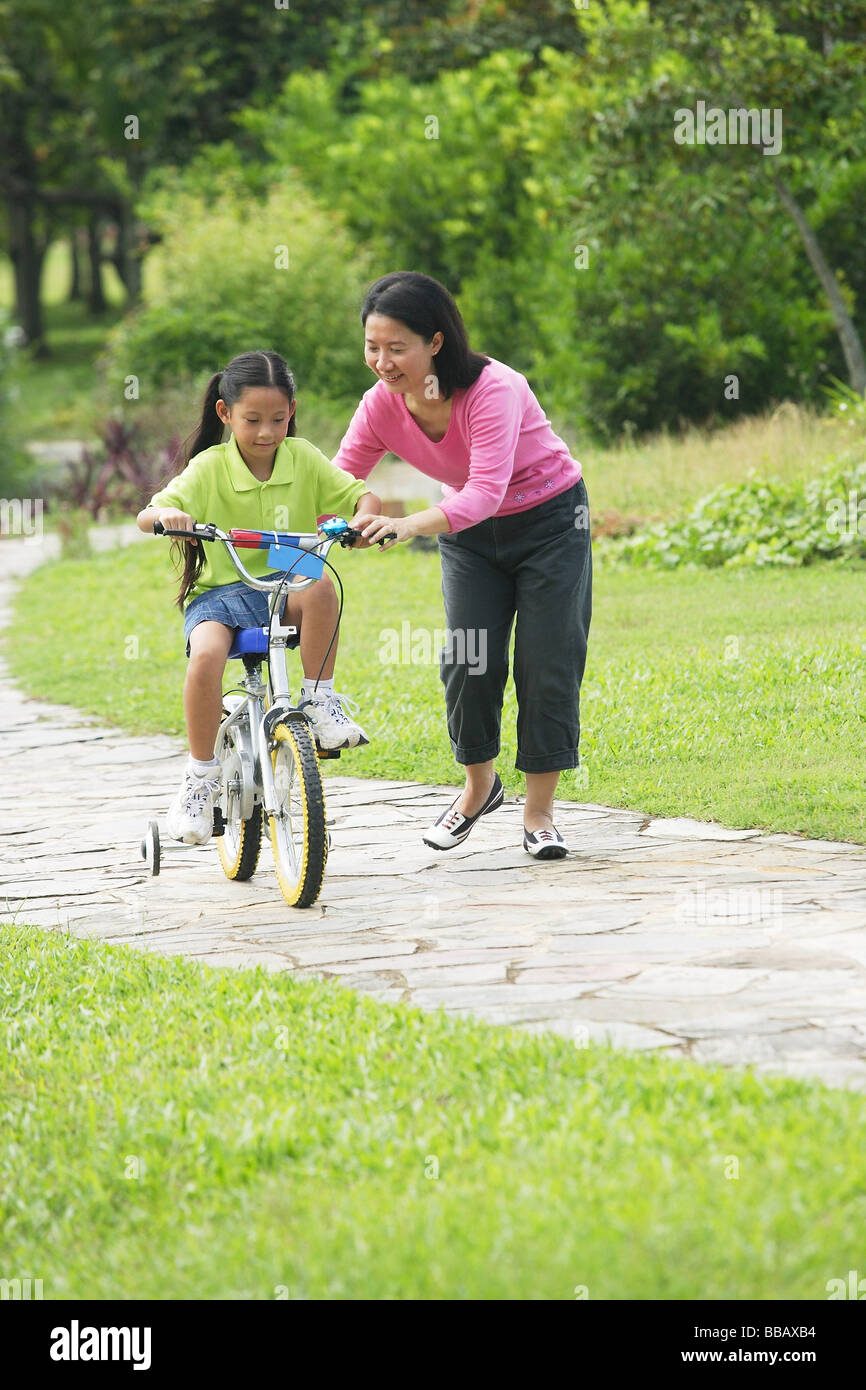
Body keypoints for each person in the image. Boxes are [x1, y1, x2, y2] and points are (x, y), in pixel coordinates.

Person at [332, 272, 592, 860]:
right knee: (468, 659)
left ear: (436, 343)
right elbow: (339, 480)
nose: (382, 362)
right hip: (470, 538)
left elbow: (485, 494)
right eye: (373, 346)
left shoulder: (495, 389)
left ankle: (540, 812)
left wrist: (404, 524)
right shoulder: (380, 405)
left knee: (546, 660)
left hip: (551, 524)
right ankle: (478, 789)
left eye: (397, 348)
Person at [136, 349, 381, 846]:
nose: (267, 432)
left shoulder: (304, 458)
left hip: (285, 589)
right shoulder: (210, 467)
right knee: (205, 656)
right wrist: (169, 517)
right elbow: (151, 512)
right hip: (220, 597)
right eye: (252, 420)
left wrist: (361, 519)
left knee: (322, 582)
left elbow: (361, 495)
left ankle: (318, 700)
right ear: (225, 414)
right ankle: (200, 777)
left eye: (277, 418)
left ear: (292, 410)